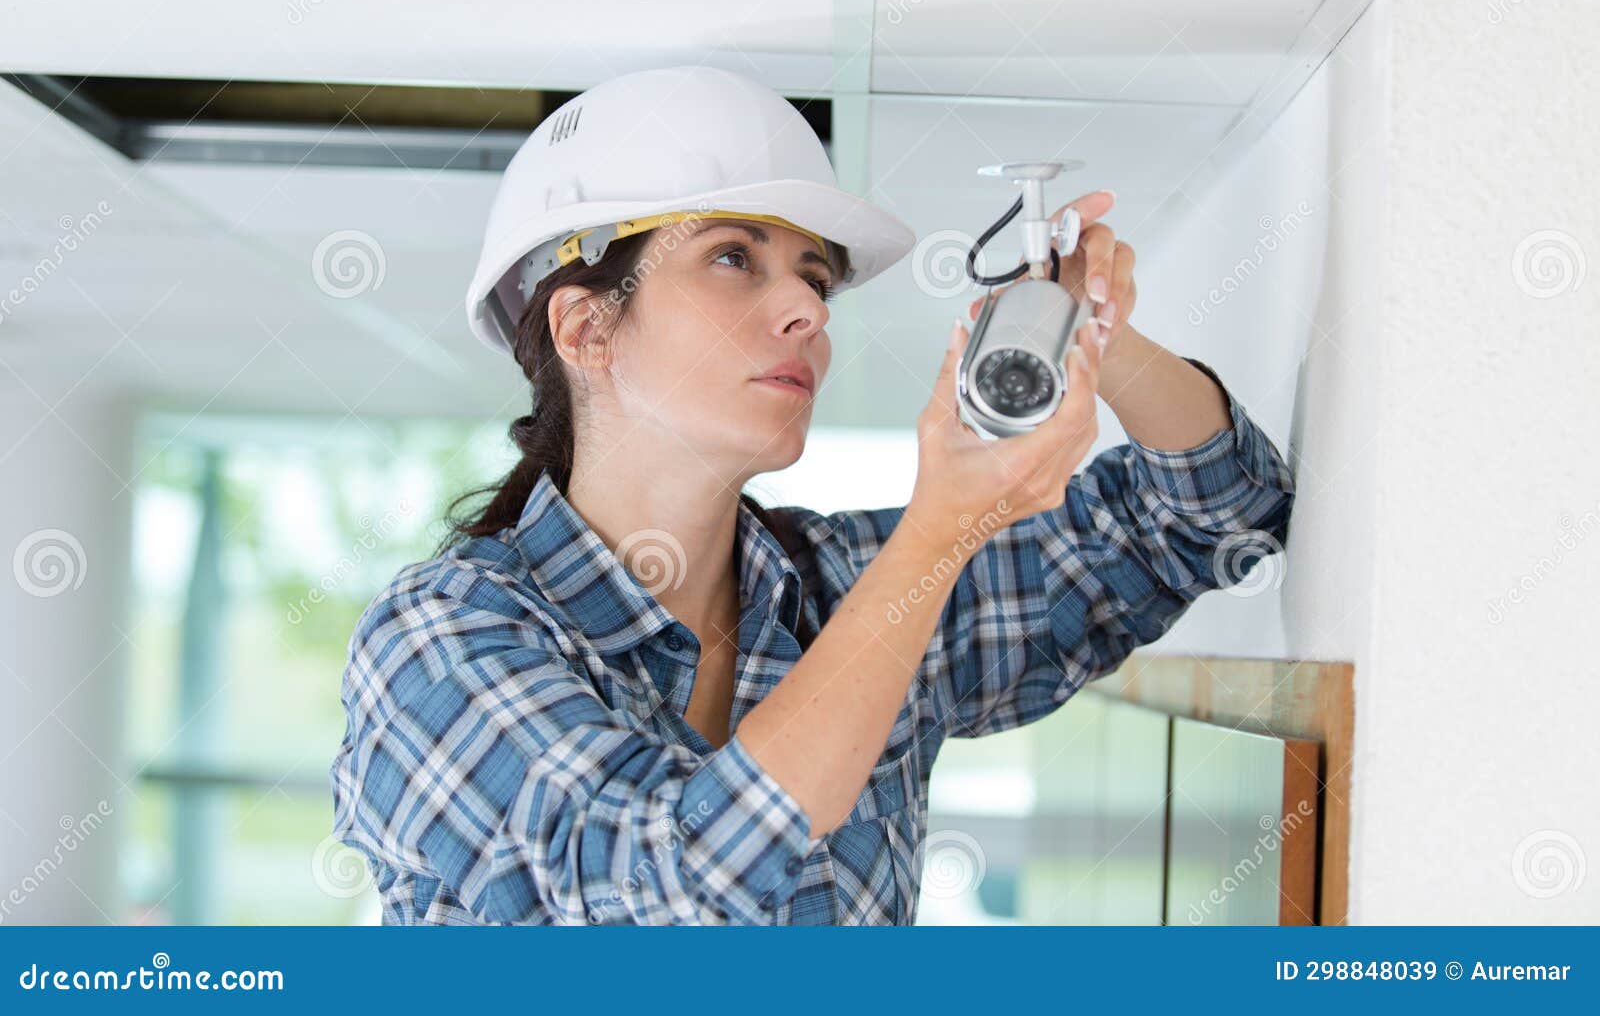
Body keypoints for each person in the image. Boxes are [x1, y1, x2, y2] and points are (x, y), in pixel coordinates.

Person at [328, 65, 1295, 925]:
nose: (805, 312)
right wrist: (941, 527)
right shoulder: (441, 639)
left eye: (815, 280)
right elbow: (674, 892)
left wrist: (1089, 330)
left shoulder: (843, 589)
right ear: (586, 329)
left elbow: (1214, 515)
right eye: (733, 258)